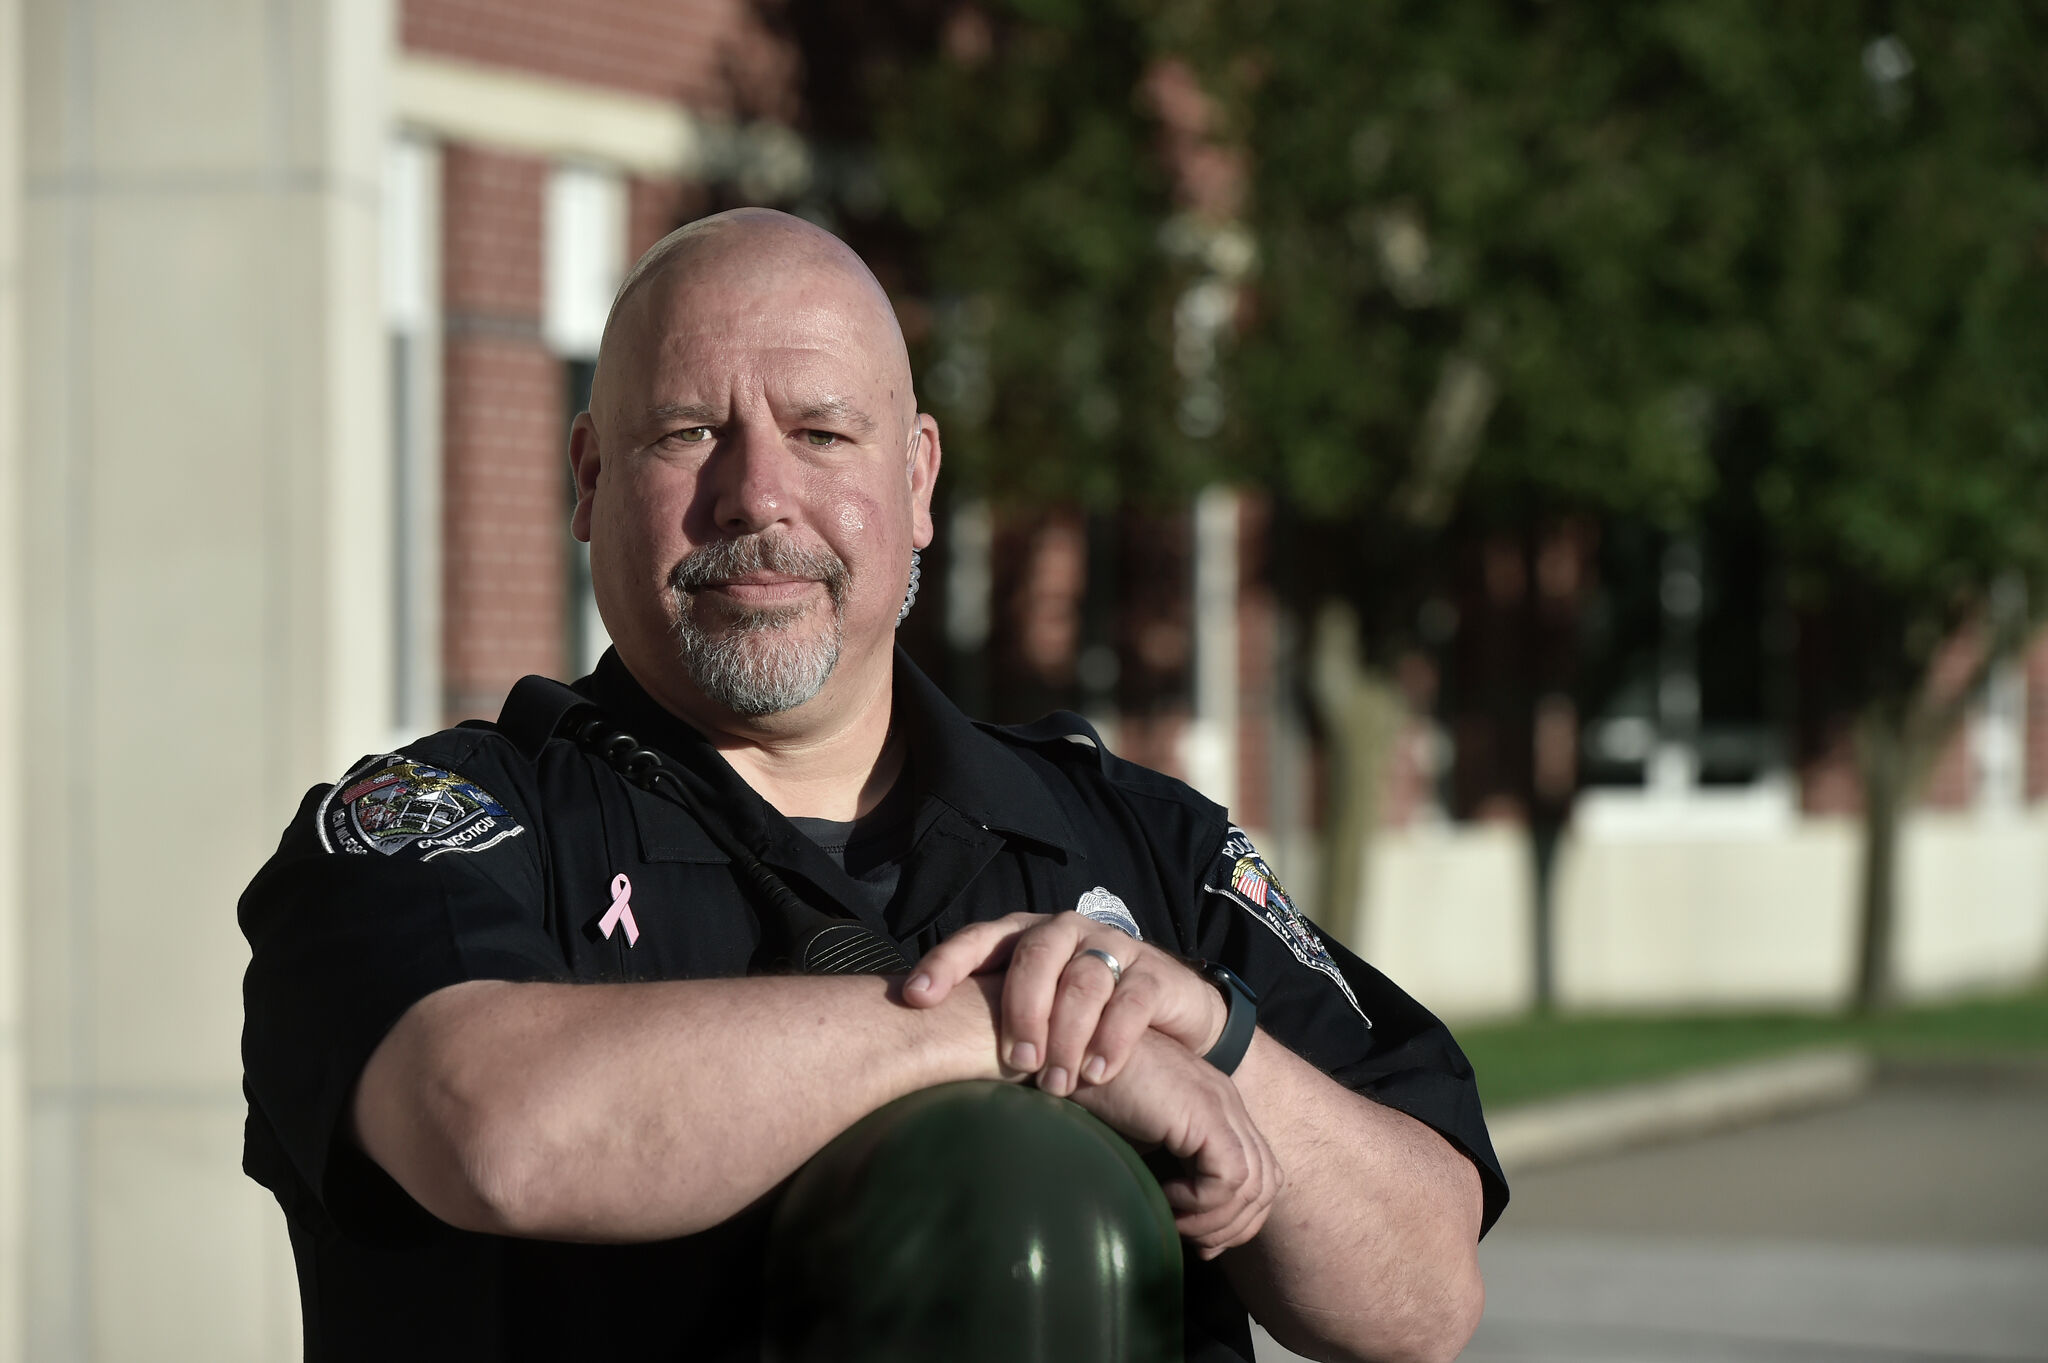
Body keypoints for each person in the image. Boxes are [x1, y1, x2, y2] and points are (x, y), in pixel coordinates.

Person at [239, 208, 1507, 1363]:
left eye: (822, 432)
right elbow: (497, 1132)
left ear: (916, 480)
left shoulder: (1140, 839)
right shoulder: (442, 827)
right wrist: (1022, 1029)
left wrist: (1213, 1041)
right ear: (587, 479)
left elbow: (1422, 1296)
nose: (756, 495)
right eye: (687, 433)